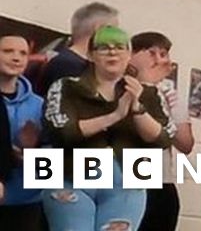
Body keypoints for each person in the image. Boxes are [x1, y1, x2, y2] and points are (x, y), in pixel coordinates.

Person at [42, 25, 174, 231]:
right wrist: (115, 115)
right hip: (70, 175)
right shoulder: (67, 86)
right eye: (104, 47)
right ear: (91, 54)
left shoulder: (149, 93)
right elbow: (61, 132)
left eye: (120, 47)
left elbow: (164, 138)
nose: (112, 52)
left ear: (129, 54)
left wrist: (137, 107)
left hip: (129, 181)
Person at [131, 32, 194, 231]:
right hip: (126, 182)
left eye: (164, 54)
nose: (158, 60)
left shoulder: (170, 94)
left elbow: (186, 145)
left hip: (161, 182)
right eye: (151, 53)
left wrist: (169, 107)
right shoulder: (120, 86)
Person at [0, 35, 44, 229]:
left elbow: (54, 163)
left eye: (23, 53)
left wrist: (29, 155)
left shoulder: (39, 105)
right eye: (8, 51)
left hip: (27, 202)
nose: (16, 58)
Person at [37, 2, 118, 95]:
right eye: (113, 31)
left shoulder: (68, 60)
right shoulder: (68, 64)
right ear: (100, 28)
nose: (116, 37)